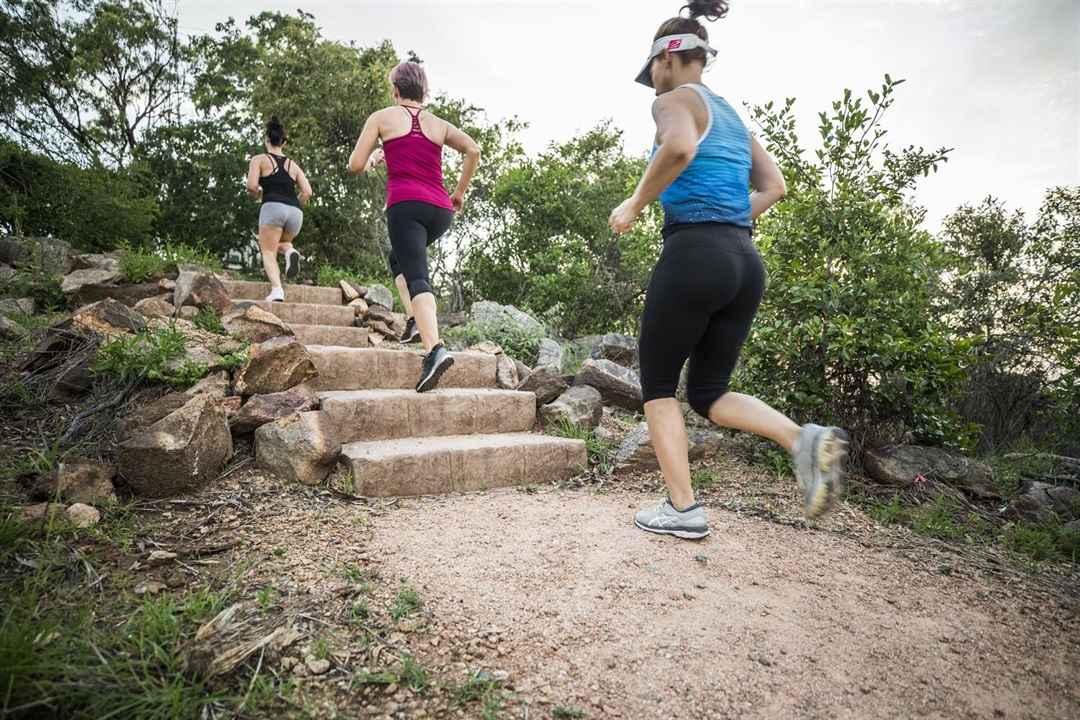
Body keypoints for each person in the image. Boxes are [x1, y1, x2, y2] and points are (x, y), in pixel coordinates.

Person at [609, 0, 849, 539]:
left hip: (694, 256)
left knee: (658, 386)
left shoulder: (673, 100)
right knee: (708, 392)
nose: (652, 86)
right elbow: (774, 187)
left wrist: (635, 204)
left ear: (667, 58)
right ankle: (802, 439)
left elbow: (678, 147)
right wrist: (728, 223)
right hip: (744, 262)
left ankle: (683, 509)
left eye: (652, 73)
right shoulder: (733, 119)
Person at [348, 60, 481, 393]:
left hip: (406, 206)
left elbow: (355, 165)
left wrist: (373, 158)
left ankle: (434, 350)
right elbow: (473, 150)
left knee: (418, 276)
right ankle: (413, 320)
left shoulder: (381, 118)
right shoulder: (438, 124)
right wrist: (459, 193)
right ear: (424, 92)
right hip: (440, 210)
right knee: (399, 260)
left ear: (395, 90)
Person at [246, 116, 313, 302]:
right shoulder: (294, 165)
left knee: (268, 251)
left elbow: (251, 186)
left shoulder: (259, 160)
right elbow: (307, 192)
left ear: (267, 138)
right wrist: (293, 204)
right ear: (283, 142)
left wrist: (258, 193)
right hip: (295, 212)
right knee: (281, 244)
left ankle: (277, 290)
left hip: (272, 206)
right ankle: (290, 252)